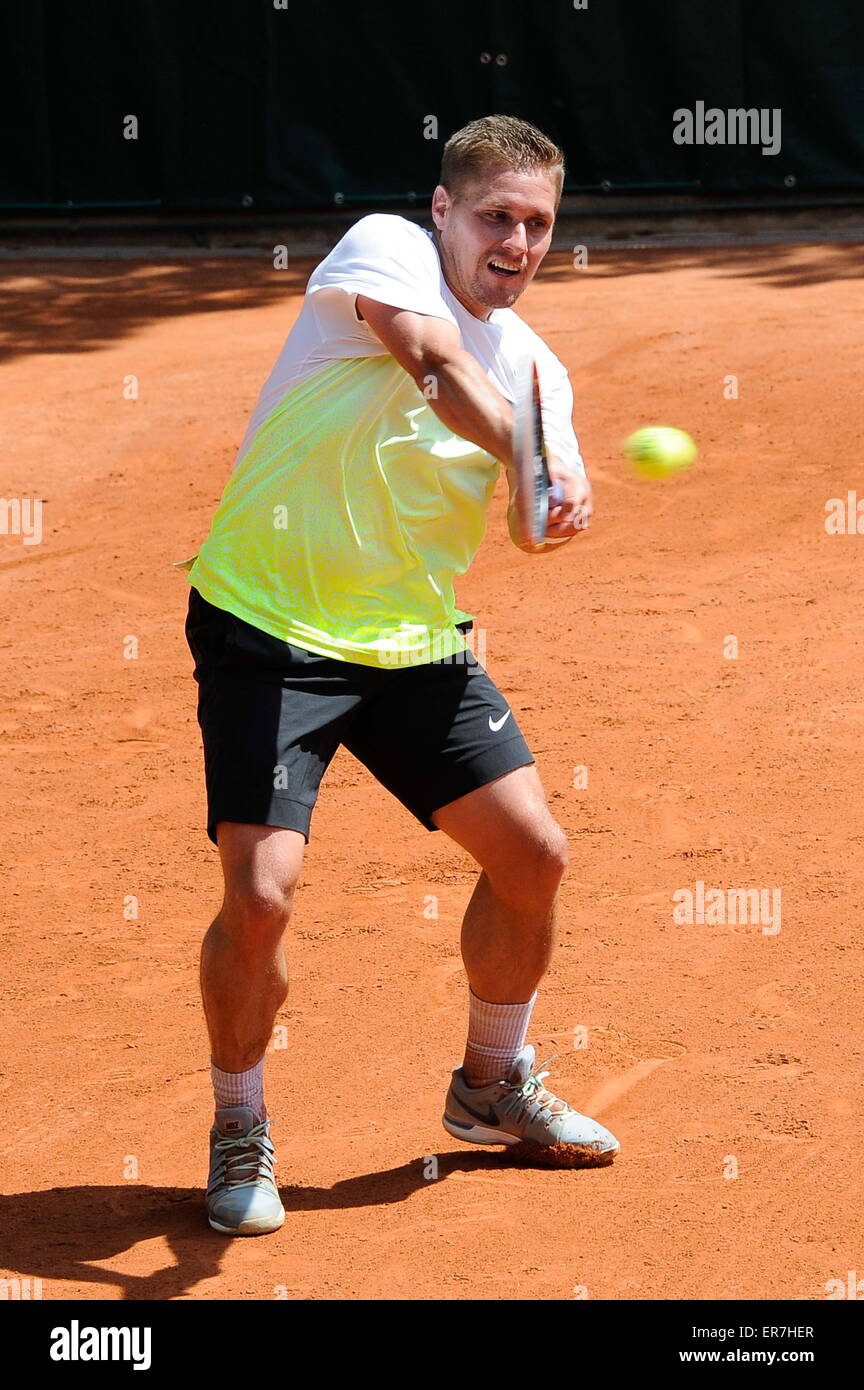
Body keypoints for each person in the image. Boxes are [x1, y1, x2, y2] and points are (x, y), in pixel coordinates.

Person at [178, 114, 620, 1237]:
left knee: (533, 853)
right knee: (263, 896)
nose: (517, 242)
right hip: (267, 624)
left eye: (538, 224)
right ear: (443, 211)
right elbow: (431, 364)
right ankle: (240, 1123)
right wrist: (528, 452)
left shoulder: (537, 371)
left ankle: (489, 1084)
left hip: (412, 639)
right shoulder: (385, 250)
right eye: (496, 217)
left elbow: (526, 532)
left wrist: (557, 501)